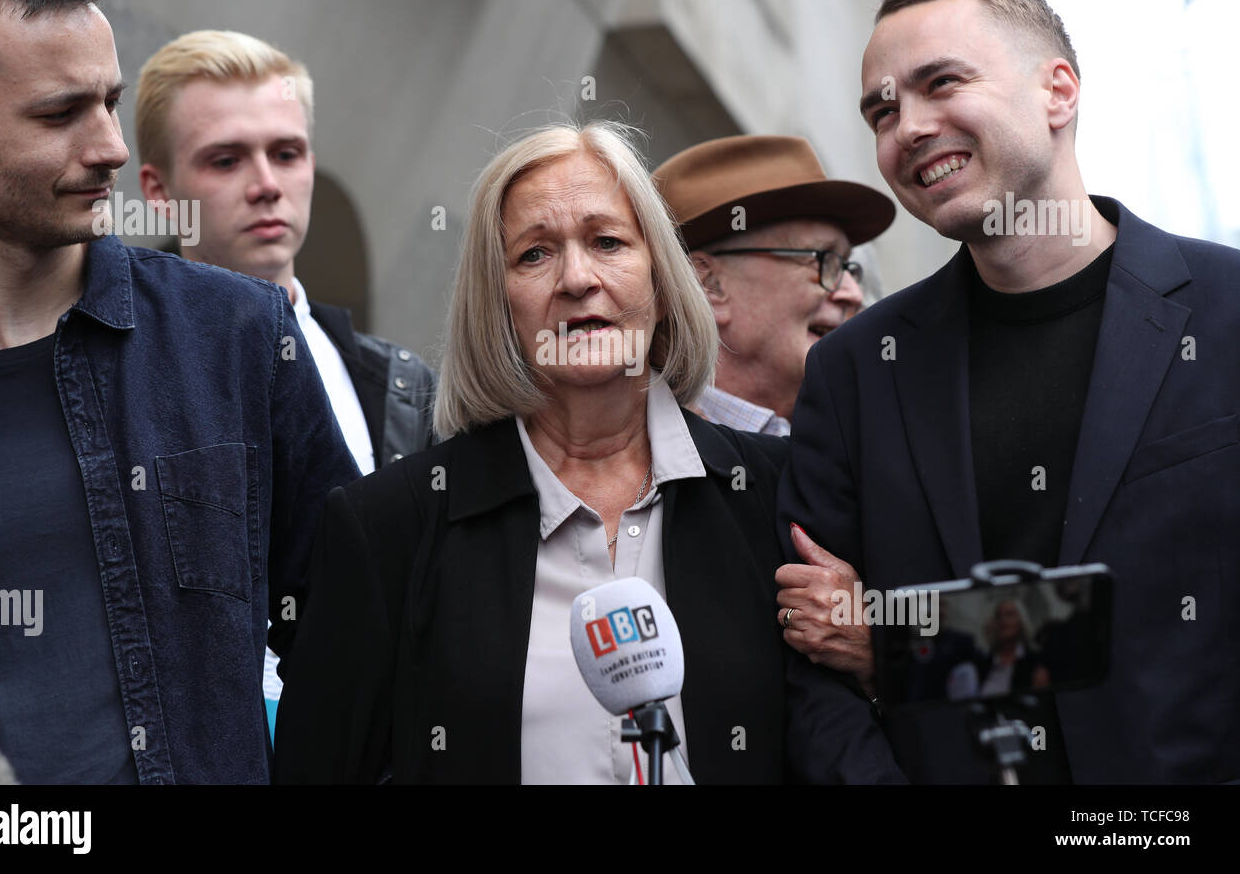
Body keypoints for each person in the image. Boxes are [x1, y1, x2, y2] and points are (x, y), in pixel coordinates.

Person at [274, 121, 898, 783]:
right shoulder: (389, 527)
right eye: (534, 254)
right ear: (497, 303)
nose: (577, 278)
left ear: (661, 282)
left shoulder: (775, 494)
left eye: (607, 242)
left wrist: (878, 650)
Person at [778, 0, 1240, 783]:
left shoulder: (1227, 312)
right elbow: (811, 675)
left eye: (941, 83)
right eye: (883, 110)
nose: (909, 128)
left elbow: (1183, 616)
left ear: (1057, 91)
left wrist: (906, 645)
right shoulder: (855, 372)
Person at [0, 0, 358, 783]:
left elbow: (363, 640)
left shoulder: (237, 335)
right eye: (62, 114)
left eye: (112, 103)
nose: (111, 148)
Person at [133, 29, 435, 727]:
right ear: (157, 189)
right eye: (225, 159)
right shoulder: (108, 370)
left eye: (287, 153)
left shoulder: (399, 382)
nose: (266, 182)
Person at [653, 134, 893, 434]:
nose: (853, 294)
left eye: (846, 267)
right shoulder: (632, 456)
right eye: (824, 260)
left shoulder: (869, 446)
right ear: (709, 285)